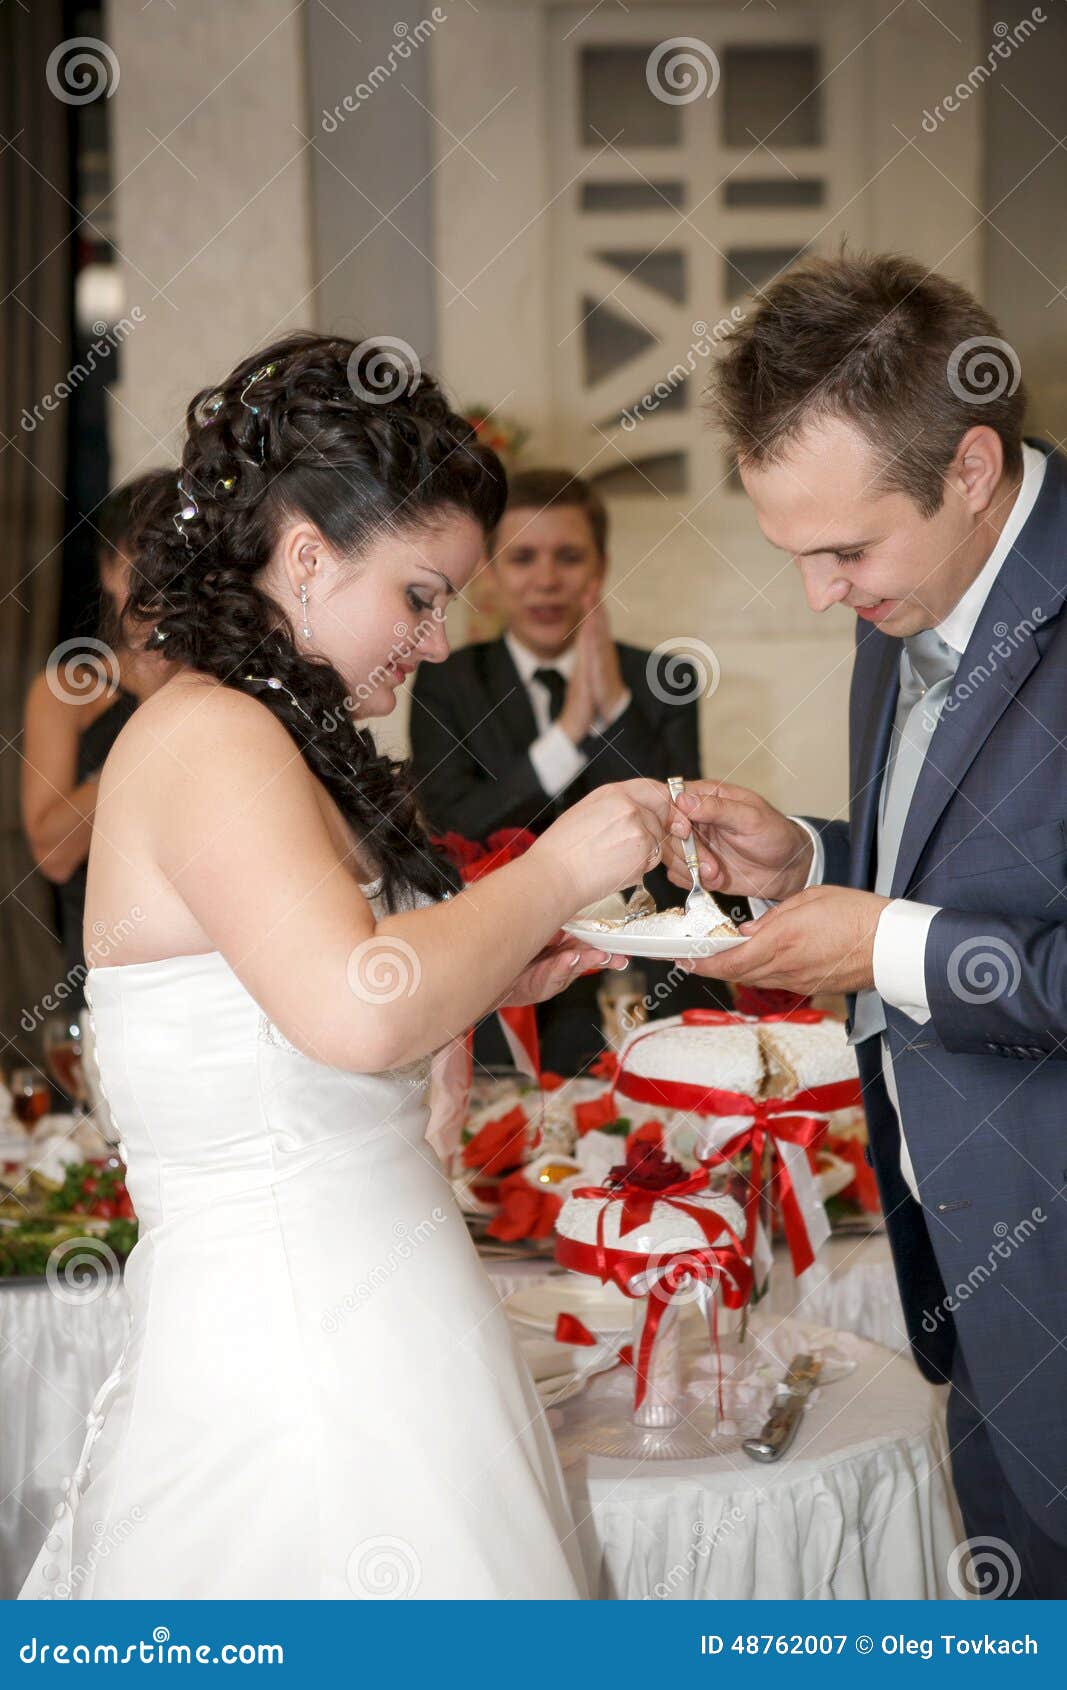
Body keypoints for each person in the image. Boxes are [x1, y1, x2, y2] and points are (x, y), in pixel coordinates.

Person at [19, 334, 673, 1600]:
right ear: (307, 557)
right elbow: (354, 1015)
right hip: (302, 1367)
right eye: (421, 596)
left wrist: (493, 958)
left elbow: (363, 974)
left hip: (379, 1318)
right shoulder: (207, 733)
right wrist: (557, 864)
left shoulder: (274, 736)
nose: (434, 644)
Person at [665, 253, 1067, 1598]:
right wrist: (810, 860)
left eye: (840, 550)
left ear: (966, 467)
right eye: (794, 553)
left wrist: (880, 949)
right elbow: (963, 870)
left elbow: (932, 935)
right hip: (980, 1307)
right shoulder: (900, 597)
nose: (817, 596)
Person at [410, 467, 732, 1073]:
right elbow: (455, 821)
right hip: (513, 978)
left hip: (654, 972)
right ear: (491, 574)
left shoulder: (664, 680)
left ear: (600, 567)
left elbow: (679, 828)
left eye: (568, 556)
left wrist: (609, 705)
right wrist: (566, 734)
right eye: (523, 558)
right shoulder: (446, 680)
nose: (547, 580)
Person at [21, 471, 177, 1002]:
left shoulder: (221, 685)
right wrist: (154, 734)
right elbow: (54, 850)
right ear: (111, 569)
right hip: (104, 968)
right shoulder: (70, 688)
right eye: (143, 562)